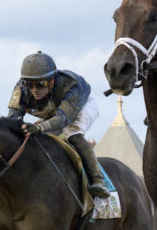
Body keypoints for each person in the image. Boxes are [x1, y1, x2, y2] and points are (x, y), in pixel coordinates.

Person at [7, 52, 110, 200]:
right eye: (30, 85)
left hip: (82, 105)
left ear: (52, 81)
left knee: (73, 134)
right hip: (53, 109)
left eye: (41, 84)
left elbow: (62, 119)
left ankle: (98, 180)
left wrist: (40, 127)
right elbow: (12, 118)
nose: (35, 89)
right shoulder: (21, 88)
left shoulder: (71, 85)